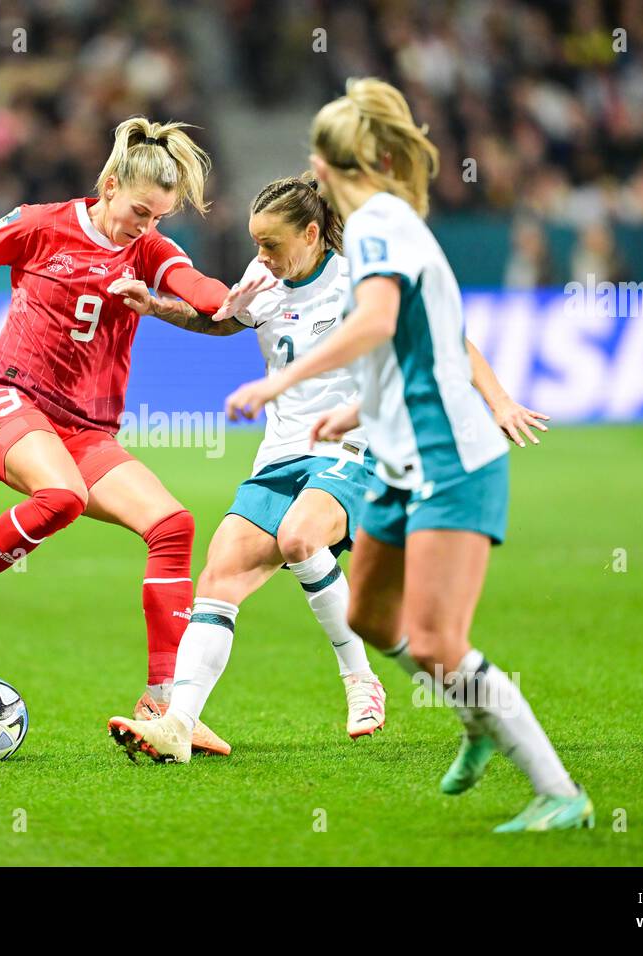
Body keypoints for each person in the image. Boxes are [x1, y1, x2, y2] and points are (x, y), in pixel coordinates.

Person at [224, 78, 593, 832]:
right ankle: (477, 720)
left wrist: (282, 382)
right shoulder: (373, 230)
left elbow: (380, 322)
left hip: (451, 458)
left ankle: (560, 793)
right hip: (396, 449)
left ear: (330, 167)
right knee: (366, 612)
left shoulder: (380, 228)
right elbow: (418, 345)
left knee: (435, 641)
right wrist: (358, 411)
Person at [109, 172, 547, 766]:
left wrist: (498, 402)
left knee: (299, 536)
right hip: (281, 454)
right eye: (255, 244)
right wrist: (157, 307)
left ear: (313, 234)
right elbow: (220, 322)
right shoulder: (264, 282)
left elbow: (445, 339)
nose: (260, 258)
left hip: (356, 446)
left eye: (271, 244)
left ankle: (360, 678)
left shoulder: (359, 281)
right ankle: (179, 724)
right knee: (219, 574)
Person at [0, 117, 270, 756]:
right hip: (8, 397)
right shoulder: (39, 224)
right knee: (63, 497)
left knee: (173, 526)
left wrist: (239, 294)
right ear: (109, 185)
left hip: (85, 428)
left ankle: (163, 704)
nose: (147, 225)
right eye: (140, 210)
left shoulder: (149, 251)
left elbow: (200, 291)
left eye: (159, 217)